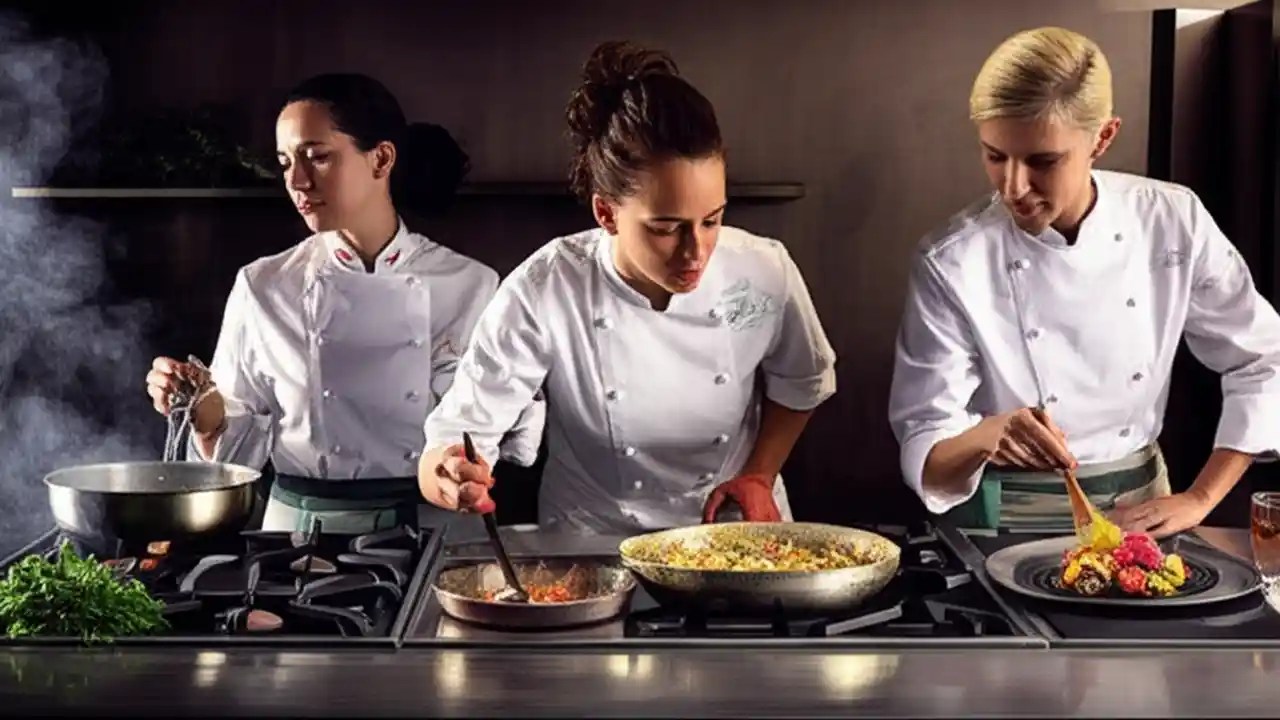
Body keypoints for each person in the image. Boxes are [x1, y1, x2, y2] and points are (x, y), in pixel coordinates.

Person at [415, 41, 837, 534]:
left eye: (712, 220)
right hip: (596, 542)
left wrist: (759, 475)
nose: (695, 251)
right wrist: (449, 475)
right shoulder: (548, 286)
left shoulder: (762, 268)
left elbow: (803, 381)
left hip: (733, 527)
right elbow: (457, 434)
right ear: (606, 214)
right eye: (666, 228)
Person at [888, 27, 1280, 537]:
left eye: (1042, 161)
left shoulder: (1171, 219)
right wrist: (987, 434)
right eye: (994, 155)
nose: (1013, 187)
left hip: (1138, 521)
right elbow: (926, 445)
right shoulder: (952, 260)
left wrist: (1202, 496)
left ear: (1103, 137)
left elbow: (1264, 357)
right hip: (999, 523)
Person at [144, 72, 532, 534]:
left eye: (318, 157)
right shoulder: (262, 285)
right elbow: (234, 447)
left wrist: (468, 463)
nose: (297, 180)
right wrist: (201, 410)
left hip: (433, 527)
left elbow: (509, 428)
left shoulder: (470, 284)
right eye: (285, 161)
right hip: (299, 533)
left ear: (382, 158)